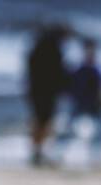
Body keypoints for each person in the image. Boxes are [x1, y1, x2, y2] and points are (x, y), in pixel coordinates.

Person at [54, 38, 101, 168]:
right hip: (80, 102)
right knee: (70, 129)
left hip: (93, 103)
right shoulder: (81, 69)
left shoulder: (97, 69)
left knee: (99, 132)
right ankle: (58, 155)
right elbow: (70, 86)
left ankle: (97, 158)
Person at [25, 24, 71, 167]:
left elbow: (30, 71)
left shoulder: (36, 50)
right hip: (48, 92)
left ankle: (36, 152)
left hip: (35, 91)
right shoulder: (55, 51)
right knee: (45, 121)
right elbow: (59, 74)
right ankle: (38, 152)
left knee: (39, 120)